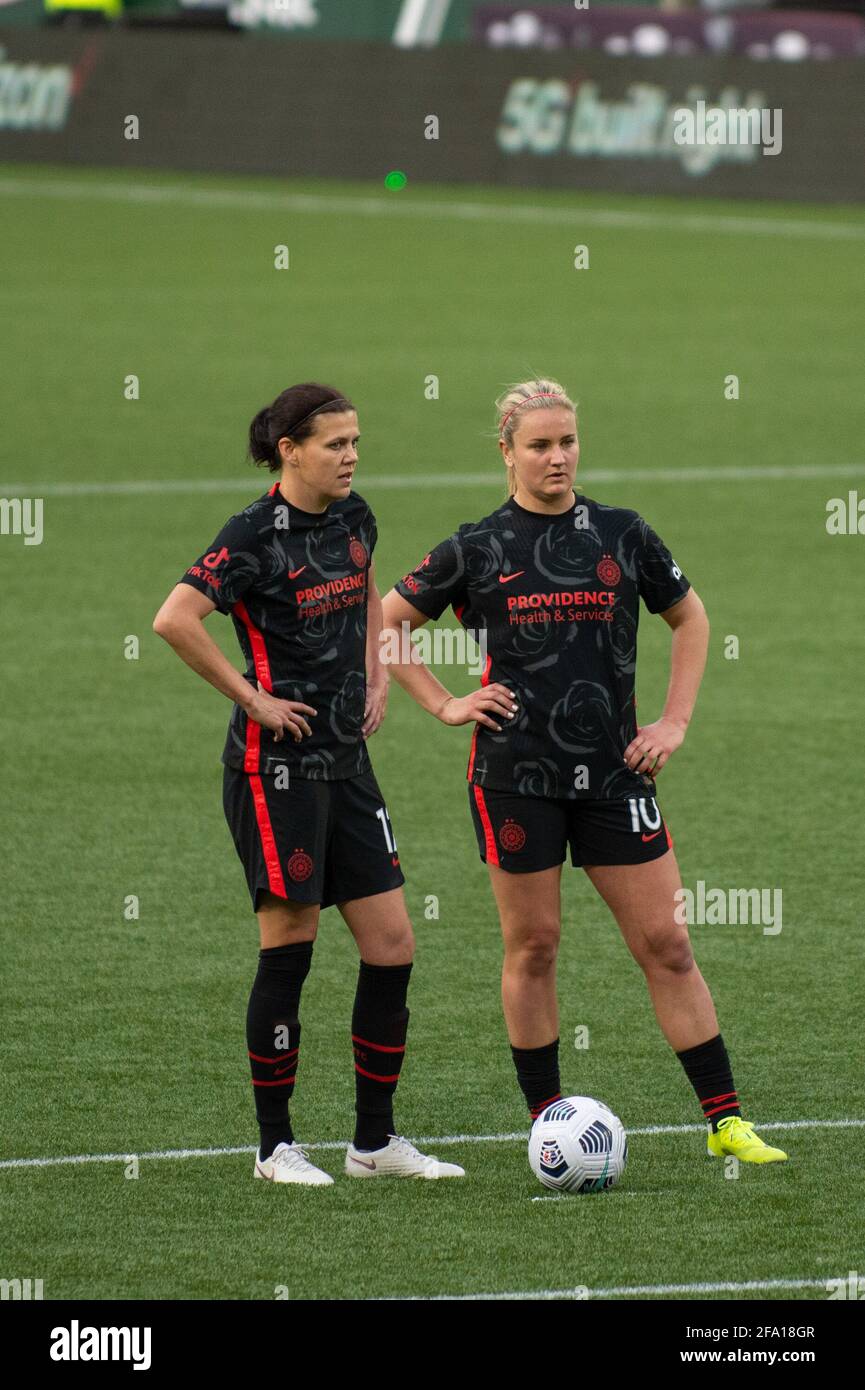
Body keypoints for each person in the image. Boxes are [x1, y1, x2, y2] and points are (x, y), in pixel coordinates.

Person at [380, 377, 787, 1165]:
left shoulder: (622, 532)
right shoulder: (475, 546)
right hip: (513, 779)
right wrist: (442, 703)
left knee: (667, 942)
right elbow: (387, 620)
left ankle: (725, 1123)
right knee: (533, 946)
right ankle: (546, 1122)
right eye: (538, 445)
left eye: (566, 441)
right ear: (505, 451)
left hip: (615, 777)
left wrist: (673, 721)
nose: (556, 457)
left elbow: (690, 617)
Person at [153, 383, 464, 1185]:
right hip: (275, 772)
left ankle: (373, 1144)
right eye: (334, 444)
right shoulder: (252, 534)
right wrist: (252, 698)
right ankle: (274, 1148)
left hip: (346, 763)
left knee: (392, 945)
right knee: (291, 948)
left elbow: (364, 596)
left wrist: (377, 674)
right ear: (289, 449)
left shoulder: (356, 519)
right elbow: (175, 618)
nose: (351, 455)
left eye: (356, 441)